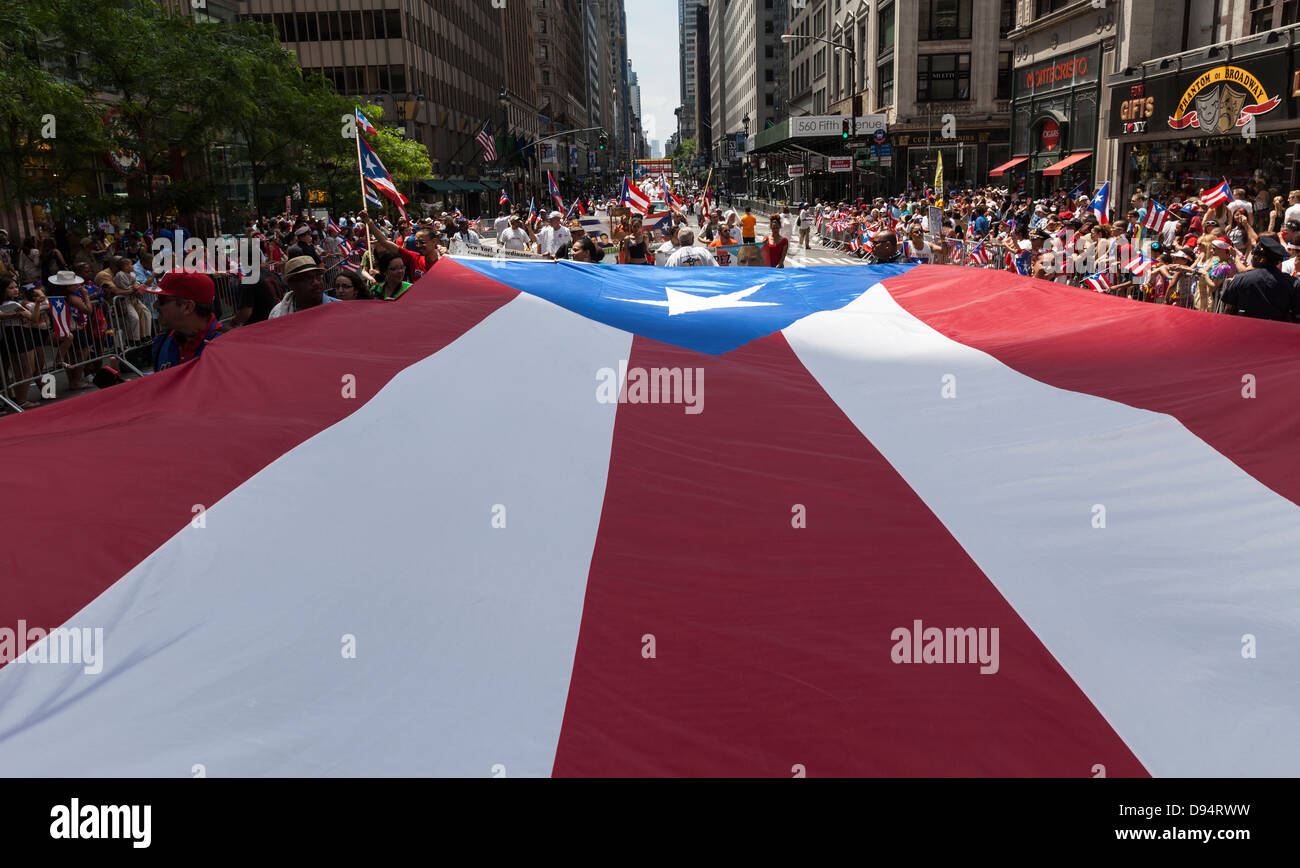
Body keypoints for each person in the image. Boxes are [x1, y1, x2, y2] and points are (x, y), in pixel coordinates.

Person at [144, 270, 223, 371]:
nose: (155, 305)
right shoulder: (162, 340)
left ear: (187, 307)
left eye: (161, 300)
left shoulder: (225, 346)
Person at [1221, 237, 1300, 321]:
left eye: (1253, 254)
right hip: (1278, 332)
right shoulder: (1292, 283)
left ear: (1261, 259)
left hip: (1246, 330)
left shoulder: (1241, 279)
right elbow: (1297, 316)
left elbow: (1228, 311)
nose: (1252, 257)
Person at [268, 256, 341, 318]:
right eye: (307, 278)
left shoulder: (340, 308)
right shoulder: (277, 314)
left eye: (318, 277)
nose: (316, 283)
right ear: (291, 284)